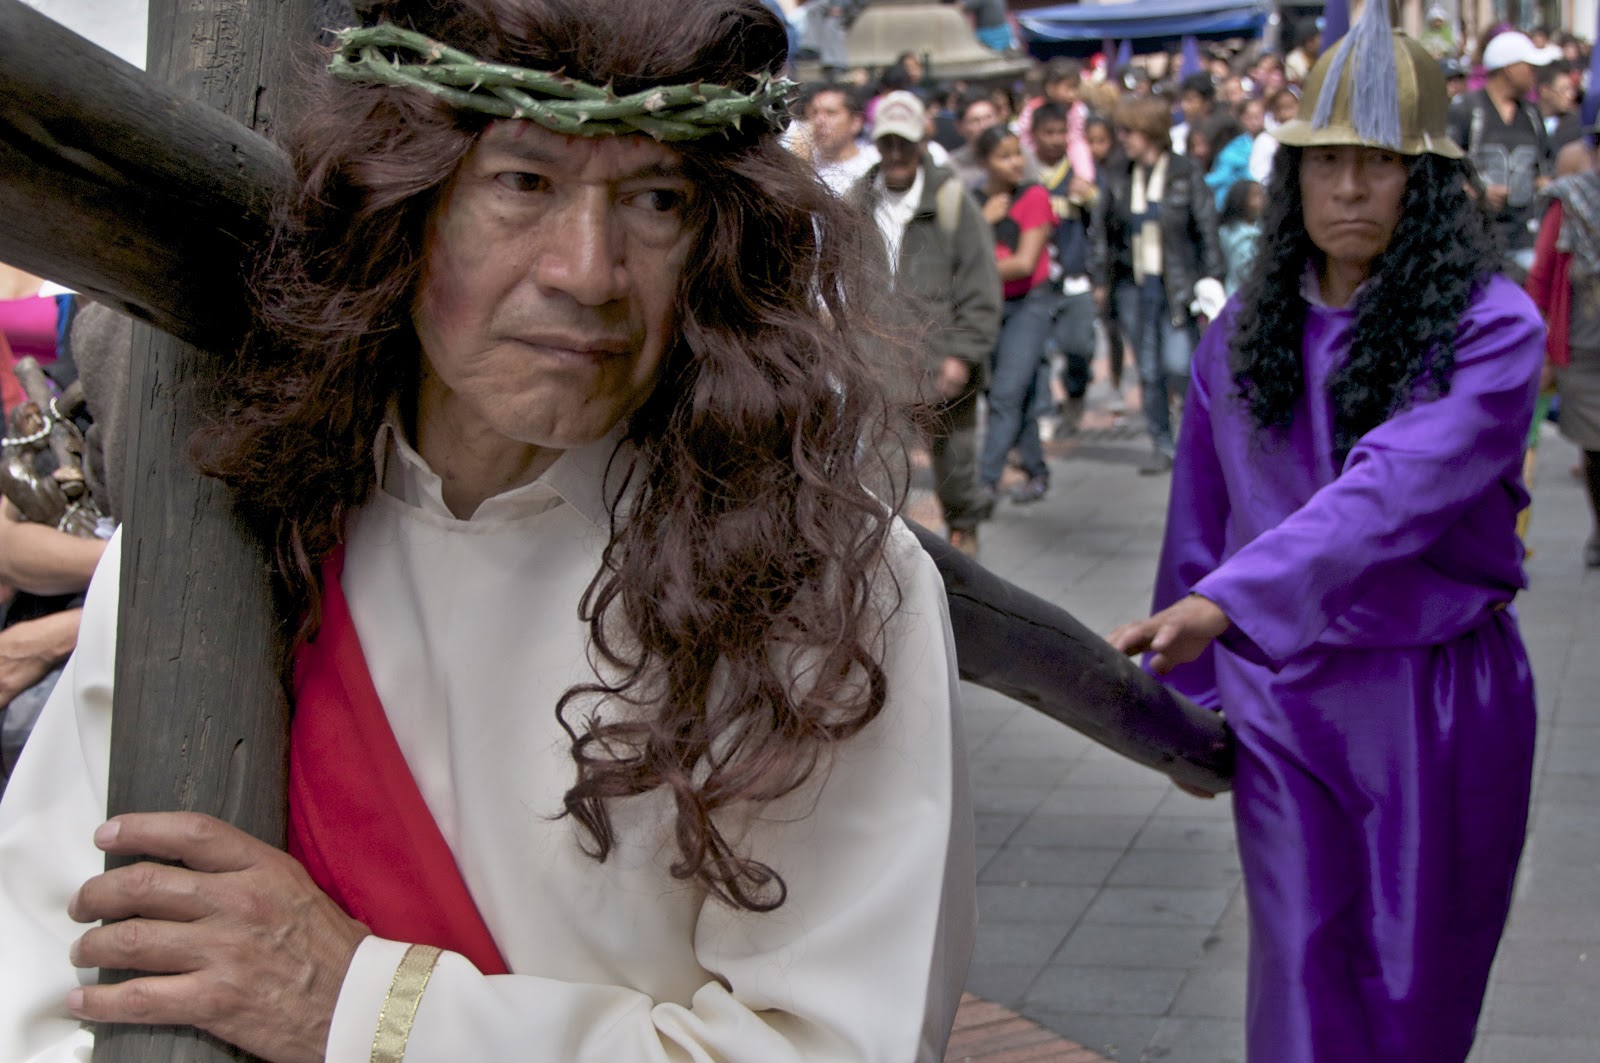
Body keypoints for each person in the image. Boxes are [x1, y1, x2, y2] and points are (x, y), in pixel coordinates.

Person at [0, 2, 977, 1060]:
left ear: (716, 241)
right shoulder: (227, 526)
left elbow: (833, 1046)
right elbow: (42, 964)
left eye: (656, 199)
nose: (588, 272)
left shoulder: (822, 583)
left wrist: (364, 1008)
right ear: (399, 207)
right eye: (523, 181)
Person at [1109, 7, 1544, 1060]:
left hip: (1437, 699)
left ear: (1427, 185)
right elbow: (1198, 524)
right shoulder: (1237, 334)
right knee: (1300, 976)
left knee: (1413, 992)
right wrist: (1185, 698)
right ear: (1291, 179)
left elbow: (1390, 488)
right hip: (1285, 699)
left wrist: (1226, 605)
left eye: (1380, 164)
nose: (1348, 188)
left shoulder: (1493, 329)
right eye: (1326, 162)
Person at [853, 90, 1002, 558]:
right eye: (887, 143)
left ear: (921, 143)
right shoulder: (857, 201)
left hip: (943, 361)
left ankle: (967, 552)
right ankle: (886, 562)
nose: (895, 154)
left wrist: (963, 353)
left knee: (956, 473)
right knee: (881, 476)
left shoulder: (952, 200)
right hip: (879, 364)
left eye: (905, 143)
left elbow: (981, 286)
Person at [1089, 95, 1224, 475]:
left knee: (1179, 363)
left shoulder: (1183, 172)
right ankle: (1162, 444)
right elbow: (1102, 231)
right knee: (1148, 370)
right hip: (1134, 287)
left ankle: (1197, 437)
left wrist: (1212, 276)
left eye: (1129, 132)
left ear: (1150, 132)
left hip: (1176, 286)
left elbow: (1205, 226)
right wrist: (1101, 279)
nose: (1123, 139)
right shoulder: (1120, 175)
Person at [1525, 124, 1600, 566]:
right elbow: (1541, 276)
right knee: (1595, 447)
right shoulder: (1570, 202)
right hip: (1584, 343)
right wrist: (1541, 349)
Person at [974, 125, 1055, 506]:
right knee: (1016, 392)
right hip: (989, 306)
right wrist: (984, 220)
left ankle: (985, 481)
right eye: (1003, 156)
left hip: (1030, 305)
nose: (1015, 163)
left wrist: (974, 268)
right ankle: (1037, 472)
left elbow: (1024, 262)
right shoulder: (975, 202)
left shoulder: (1034, 195)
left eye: (1017, 154)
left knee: (1006, 394)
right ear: (984, 163)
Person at [1448, 31, 1554, 279]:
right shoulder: (1467, 110)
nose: (1533, 73)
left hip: (1524, 236)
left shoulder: (1531, 115)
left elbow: (1544, 163)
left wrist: (1542, 184)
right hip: (1477, 236)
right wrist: (1476, 192)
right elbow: (1446, 167)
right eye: (1528, 66)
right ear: (1508, 68)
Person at [1032, 102, 1099, 434]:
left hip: (1074, 277)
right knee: (1037, 352)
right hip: (1037, 281)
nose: (1055, 140)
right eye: (1049, 133)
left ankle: (1075, 392)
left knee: (1079, 347)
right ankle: (1043, 412)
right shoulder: (1026, 179)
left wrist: (1092, 199)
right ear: (1034, 136)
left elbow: (1101, 227)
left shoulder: (1079, 177)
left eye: (1062, 133)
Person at [803, 82, 880, 195]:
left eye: (830, 113)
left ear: (855, 122)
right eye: (815, 113)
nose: (819, 121)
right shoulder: (804, 165)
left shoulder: (874, 165)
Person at [1216, 178, 1263, 295]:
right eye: (1257, 196)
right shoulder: (1242, 238)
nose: (1263, 200)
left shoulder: (1260, 230)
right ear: (1241, 201)